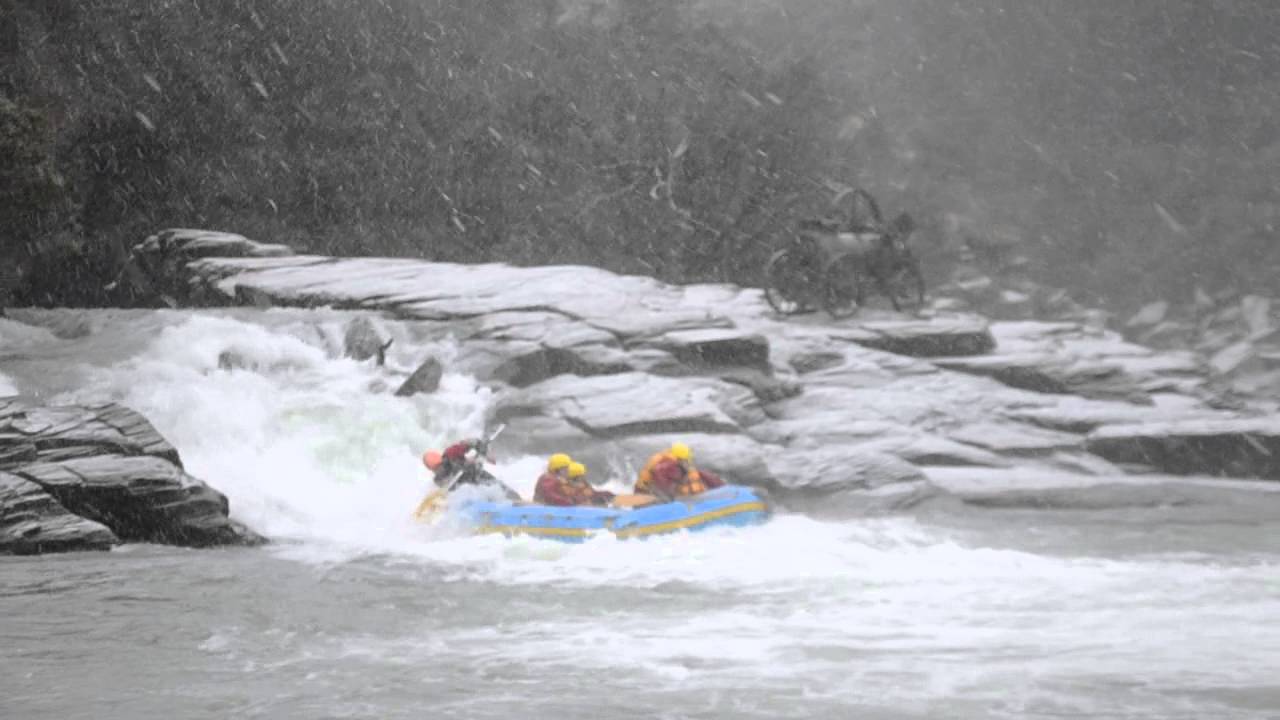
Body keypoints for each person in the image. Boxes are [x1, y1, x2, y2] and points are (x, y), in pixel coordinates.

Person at [422, 439, 521, 501]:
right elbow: (447, 490)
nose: (439, 469)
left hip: (478, 475)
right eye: (435, 469)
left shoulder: (450, 453)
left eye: (439, 466)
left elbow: (468, 443)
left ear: (441, 460)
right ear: (432, 470)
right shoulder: (439, 480)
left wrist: (479, 445)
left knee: (509, 494)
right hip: (473, 492)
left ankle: (519, 503)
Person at [633, 442, 725, 500]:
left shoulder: (667, 461)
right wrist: (671, 497)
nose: (688, 462)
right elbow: (661, 481)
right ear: (680, 458)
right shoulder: (669, 466)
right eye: (686, 459)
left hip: (642, 496)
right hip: (647, 499)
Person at [534, 455, 614, 507]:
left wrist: (601, 496)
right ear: (558, 469)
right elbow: (550, 496)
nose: (568, 471)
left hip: (560, 508)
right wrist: (571, 501)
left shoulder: (562, 480)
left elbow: (576, 494)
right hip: (546, 509)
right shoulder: (548, 479)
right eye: (566, 468)